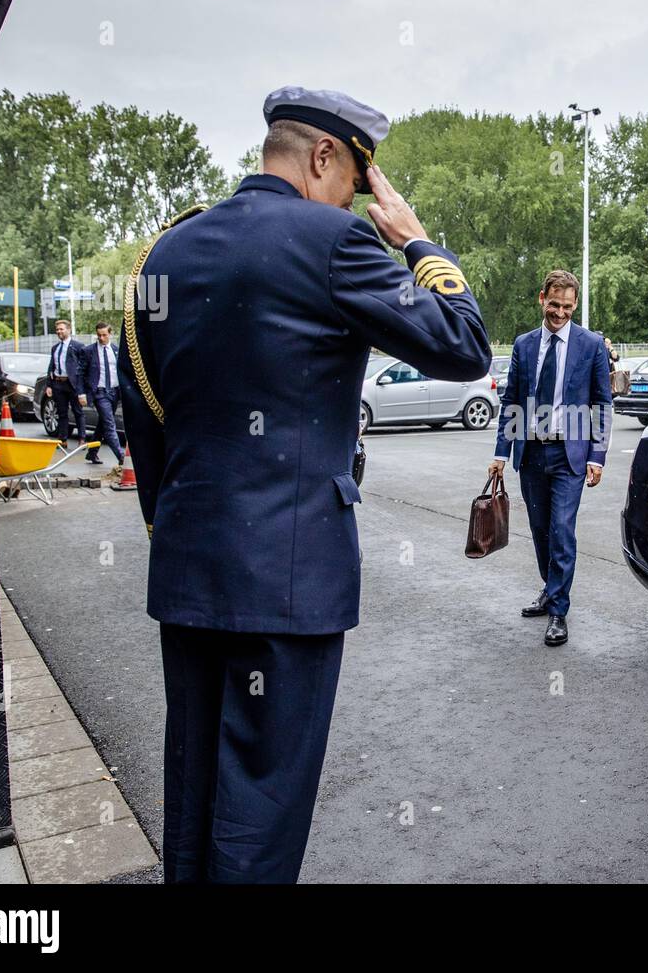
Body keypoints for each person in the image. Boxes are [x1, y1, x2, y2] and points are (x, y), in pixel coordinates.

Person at [118, 86, 491, 883]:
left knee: (192, 797)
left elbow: (143, 414)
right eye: (356, 178)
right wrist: (419, 243)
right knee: (260, 806)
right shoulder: (333, 242)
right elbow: (465, 346)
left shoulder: (166, 251)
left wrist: (172, 525)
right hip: (289, 579)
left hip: (187, 568)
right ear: (324, 155)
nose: (357, 195)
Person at [488, 271, 612, 647]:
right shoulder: (524, 345)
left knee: (561, 530)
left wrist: (598, 455)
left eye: (567, 307)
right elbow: (511, 400)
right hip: (531, 453)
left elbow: (602, 404)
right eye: (554, 304)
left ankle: (558, 610)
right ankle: (549, 587)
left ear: (574, 306)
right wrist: (499, 452)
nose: (560, 312)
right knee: (541, 530)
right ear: (542, 299)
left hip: (569, 455)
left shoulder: (590, 345)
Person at [80, 322, 124, 466]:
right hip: (99, 393)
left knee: (103, 424)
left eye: (104, 335)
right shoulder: (89, 351)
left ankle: (92, 453)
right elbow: (80, 373)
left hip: (114, 392)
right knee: (109, 425)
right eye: (99, 335)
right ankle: (121, 457)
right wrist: (81, 393)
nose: (101, 338)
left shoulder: (117, 350)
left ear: (110, 334)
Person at [44, 319, 86, 446]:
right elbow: (51, 366)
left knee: (78, 411)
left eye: (61, 329)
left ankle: (82, 438)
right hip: (58, 383)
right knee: (61, 412)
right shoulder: (55, 348)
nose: (59, 332)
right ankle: (62, 439)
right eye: (57, 330)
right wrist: (49, 385)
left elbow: (83, 367)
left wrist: (81, 388)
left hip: (72, 384)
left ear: (69, 330)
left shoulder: (78, 346)